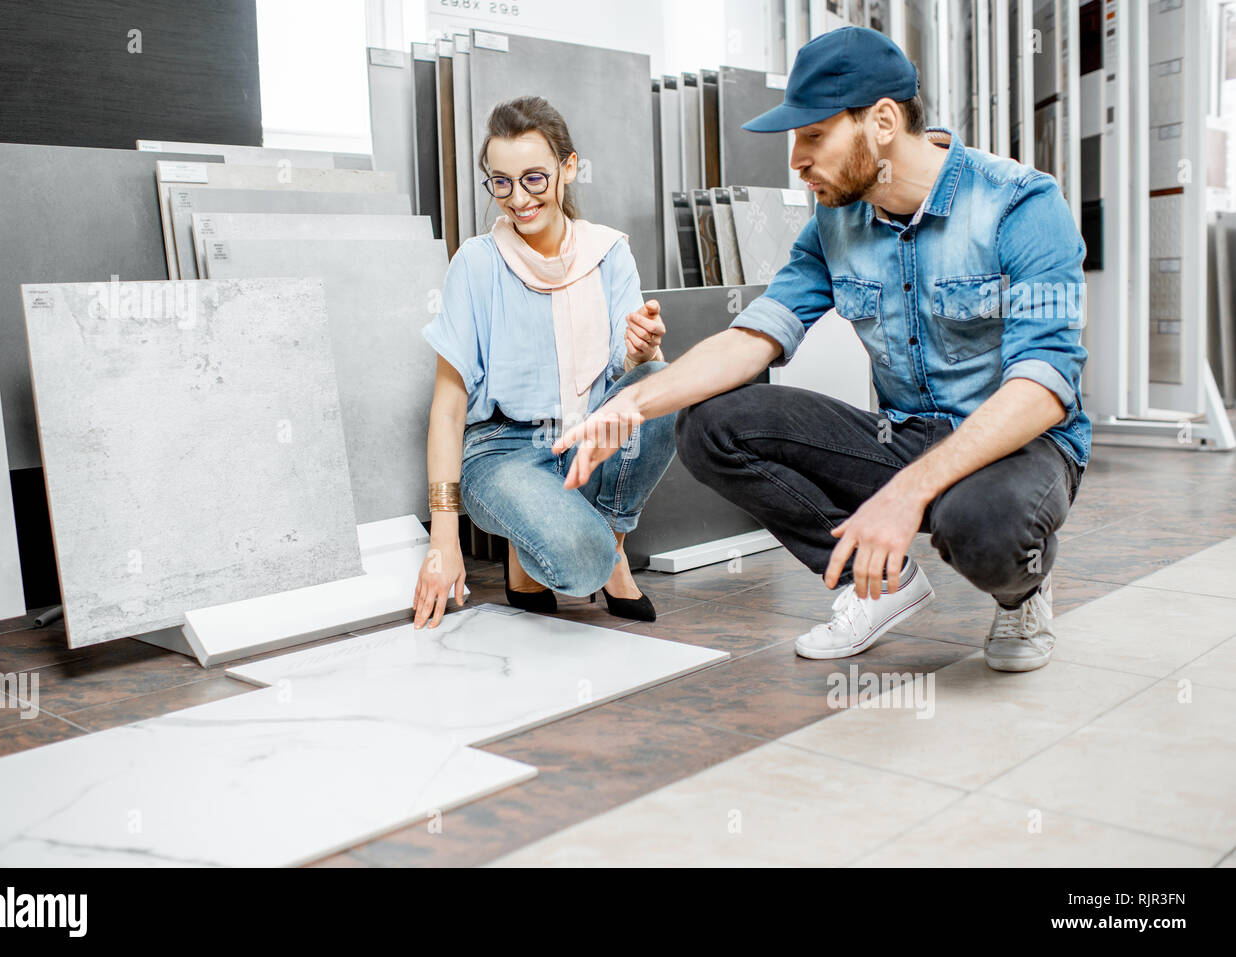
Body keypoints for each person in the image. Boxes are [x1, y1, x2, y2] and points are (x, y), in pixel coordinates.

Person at [553, 26, 1090, 673]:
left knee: (980, 524)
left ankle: (1023, 590)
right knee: (710, 423)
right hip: (905, 433)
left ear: (883, 120)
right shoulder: (835, 223)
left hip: (1020, 447)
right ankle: (879, 584)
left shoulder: (1021, 204)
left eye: (813, 135)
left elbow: (1046, 383)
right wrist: (635, 401)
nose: (795, 160)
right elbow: (754, 338)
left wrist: (906, 494)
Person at [412, 95, 678, 630]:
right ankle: (582, 550)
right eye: (502, 182)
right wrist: (443, 536)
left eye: (534, 178)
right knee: (579, 567)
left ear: (568, 167)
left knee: (662, 382)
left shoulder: (608, 252)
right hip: (504, 451)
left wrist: (642, 351)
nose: (518, 198)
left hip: (588, 437)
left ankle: (611, 543)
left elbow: (634, 385)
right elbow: (447, 409)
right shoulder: (477, 264)